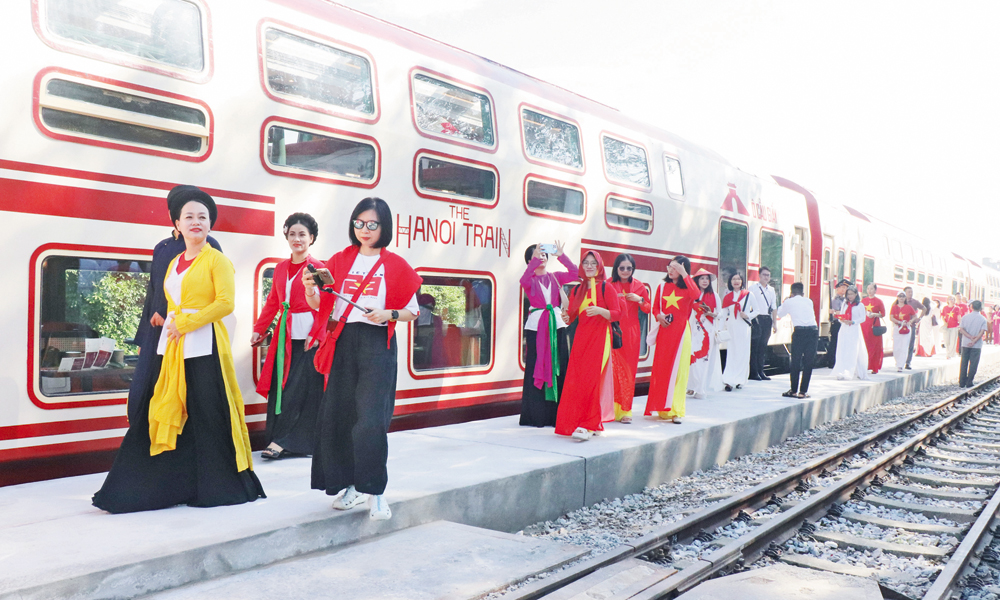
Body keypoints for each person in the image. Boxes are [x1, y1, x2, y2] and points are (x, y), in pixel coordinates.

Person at [93, 188, 264, 513]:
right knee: (161, 409)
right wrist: (164, 320)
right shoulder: (172, 259)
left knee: (207, 414)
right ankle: (145, 490)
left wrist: (185, 322)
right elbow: (168, 299)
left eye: (202, 217)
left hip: (206, 348)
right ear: (177, 223)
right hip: (172, 349)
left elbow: (225, 303)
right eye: (189, 217)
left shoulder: (217, 259)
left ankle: (219, 487)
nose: (196, 222)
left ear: (210, 225)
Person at [304, 197, 422, 521]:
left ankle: (377, 492)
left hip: (376, 342)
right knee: (341, 415)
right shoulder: (339, 260)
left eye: (372, 224)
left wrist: (389, 313)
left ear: (384, 227)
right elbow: (320, 304)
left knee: (371, 419)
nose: (365, 230)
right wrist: (310, 289)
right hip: (343, 341)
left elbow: (414, 310)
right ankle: (350, 486)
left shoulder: (395, 264)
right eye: (359, 223)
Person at [130, 186, 222, 424]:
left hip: (188, 329)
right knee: (143, 388)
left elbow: (212, 293)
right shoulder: (161, 247)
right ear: (176, 217)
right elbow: (153, 290)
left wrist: (167, 313)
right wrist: (142, 338)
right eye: (185, 213)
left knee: (185, 392)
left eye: (199, 215)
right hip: (156, 332)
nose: (193, 220)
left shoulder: (208, 245)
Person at [251, 213, 325, 460]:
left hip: (310, 337)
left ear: (311, 238)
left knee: (299, 389)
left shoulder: (320, 268)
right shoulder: (281, 268)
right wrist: (259, 329)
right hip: (285, 336)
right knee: (280, 388)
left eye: (302, 234)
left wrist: (316, 333)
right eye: (292, 234)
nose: (297, 239)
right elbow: (273, 302)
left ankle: (283, 442)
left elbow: (327, 306)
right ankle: (278, 437)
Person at [555, 251, 621, 440]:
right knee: (576, 381)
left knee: (591, 380)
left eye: (593, 263)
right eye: (586, 263)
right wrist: (566, 317)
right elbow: (572, 318)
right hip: (580, 340)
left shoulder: (606, 288)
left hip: (600, 339)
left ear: (599, 265)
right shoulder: (577, 290)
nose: (590, 266)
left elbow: (617, 314)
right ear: (582, 266)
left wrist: (601, 310)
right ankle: (583, 421)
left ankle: (588, 424)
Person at [519, 242, 577, 427]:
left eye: (544, 255)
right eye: (536, 255)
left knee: (560, 365)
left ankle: (557, 414)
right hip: (536, 326)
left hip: (557, 325)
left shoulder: (556, 277)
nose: (541, 258)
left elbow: (575, 273)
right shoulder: (530, 280)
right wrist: (534, 261)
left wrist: (561, 255)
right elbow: (523, 282)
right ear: (530, 260)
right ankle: (536, 415)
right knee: (536, 367)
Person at [645, 256, 698, 422]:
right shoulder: (662, 287)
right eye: (670, 266)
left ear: (683, 269)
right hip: (665, 333)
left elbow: (696, 295)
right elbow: (654, 308)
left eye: (675, 267)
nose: (670, 270)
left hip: (682, 333)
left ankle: (676, 410)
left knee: (680, 371)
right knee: (663, 369)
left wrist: (685, 275)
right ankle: (662, 408)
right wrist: (659, 316)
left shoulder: (689, 287)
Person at [608, 254, 650, 423]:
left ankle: (626, 411)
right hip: (612, 329)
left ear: (633, 269)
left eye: (629, 268)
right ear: (616, 268)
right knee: (611, 370)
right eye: (622, 268)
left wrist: (640, 300)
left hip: (631, 332)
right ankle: (609, 408)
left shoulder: (639, 286)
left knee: (628, 371)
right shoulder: (609, 284)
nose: (625, 271)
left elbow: (648, 309)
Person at [687, 269, 724, 399]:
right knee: (692, 358)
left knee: (704, 360)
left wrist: (712, 314)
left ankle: (701, 388)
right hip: (693, 329)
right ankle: (692, 386)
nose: (705, 281)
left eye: (707, 279)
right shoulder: (692, 295)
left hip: (708, 330)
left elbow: (721, 313)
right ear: (697, 281)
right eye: (702, 278)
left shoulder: (714, 295)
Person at [776, 282, 818, 398]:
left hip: (799, 332)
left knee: (795, 361)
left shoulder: (789, 301)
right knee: (808, 362)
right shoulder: (809, 301)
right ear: (802, 292)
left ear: (792, 293)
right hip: (813, 331)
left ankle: (793, 390)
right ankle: (803, 392)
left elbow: (780, 313)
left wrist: (785, 301)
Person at [721, 271, 757, 392]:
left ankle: (741, 380)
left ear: (742, 281)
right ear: (730, 282)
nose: (736, 281)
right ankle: (729, 379)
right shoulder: (728, 297)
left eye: (738, 279)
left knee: (743, 352)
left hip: (743, 327)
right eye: (733, 279)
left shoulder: (748, 294)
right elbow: (724, 313)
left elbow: (757, 310)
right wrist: (719, 327)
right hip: (732, 327)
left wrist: (747, 315)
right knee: (732, 352)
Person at [832, 286, 869, 380]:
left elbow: (863, 318)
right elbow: (842, 314)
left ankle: (851, 371)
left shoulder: (860, 305)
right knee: (843, 349)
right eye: (848, 294)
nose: (850, 296)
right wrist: (842, 320)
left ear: (856, 294)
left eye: (852, 294)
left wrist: (853, 322)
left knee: (853, 350)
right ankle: (842, 370)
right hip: (844, 329)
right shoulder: (845, 303)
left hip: (854, 329)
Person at [749, 267, 777, 380]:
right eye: (764, 275)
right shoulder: (753, 288)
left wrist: (775, 323)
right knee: (755, 347)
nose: (766, 277)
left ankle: (761, 371)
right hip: (756, 319)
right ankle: (753, 372)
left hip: (767, 319)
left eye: (768, 275)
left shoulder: (771, 290)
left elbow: (774, 307)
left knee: (763, 347)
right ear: (759, 275)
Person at [958, 300, 988, 387]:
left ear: (971, 307)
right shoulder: (983, 319)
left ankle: (962, 382)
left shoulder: (965, 317)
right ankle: (969, 382)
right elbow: (982, 332)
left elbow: (961, 329)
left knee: (964, 362)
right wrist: (974, 340)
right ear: (981, 308)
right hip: (976, 345)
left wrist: (969, 337)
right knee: (973, 363)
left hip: (965, 343)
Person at [889, 292, 918, 372]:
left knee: (904, 347)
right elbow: (891, 317)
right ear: (897, 297)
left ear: (905, 298)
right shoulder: (894, 307)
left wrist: (910, 321)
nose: (901, 298)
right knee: (896, 348)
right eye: (900, 296)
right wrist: (899, 322)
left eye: (903, 296)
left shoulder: (909, 307)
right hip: (897, 328)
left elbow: (915, 316)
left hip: (906, 329)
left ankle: (900, 365)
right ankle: (898, 362)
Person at [860, 283, 885, 375]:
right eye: (868, 289)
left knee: (874, 346)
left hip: (874, 325)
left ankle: (874, 367)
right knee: (864, 345)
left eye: (871, 289)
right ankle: (864, 365)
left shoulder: (879, 301)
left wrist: (874, 314)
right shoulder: (863, 300)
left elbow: (883, 314)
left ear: (875, 290)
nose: (869, 291)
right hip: (864, 324)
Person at [826, 280, 849, 367]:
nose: (844, 289)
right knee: (835, 343)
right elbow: (837, 312)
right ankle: (832, 362)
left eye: (845, 288)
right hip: (837, 323)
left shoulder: (845, 300)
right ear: (837, 289)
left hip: (843, 323)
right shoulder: (836, 299)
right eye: (842, 287)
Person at [903, 286, 923, 370]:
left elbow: (924, 308)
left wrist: (920, 318)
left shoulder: (915, 302)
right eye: (908, 292)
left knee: (910, 344)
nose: (910, 293)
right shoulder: (900, 301)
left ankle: (908, 362)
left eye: (911, 292)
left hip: (911, 326)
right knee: (902, 345)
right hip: (902, 326)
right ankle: (901, 361)